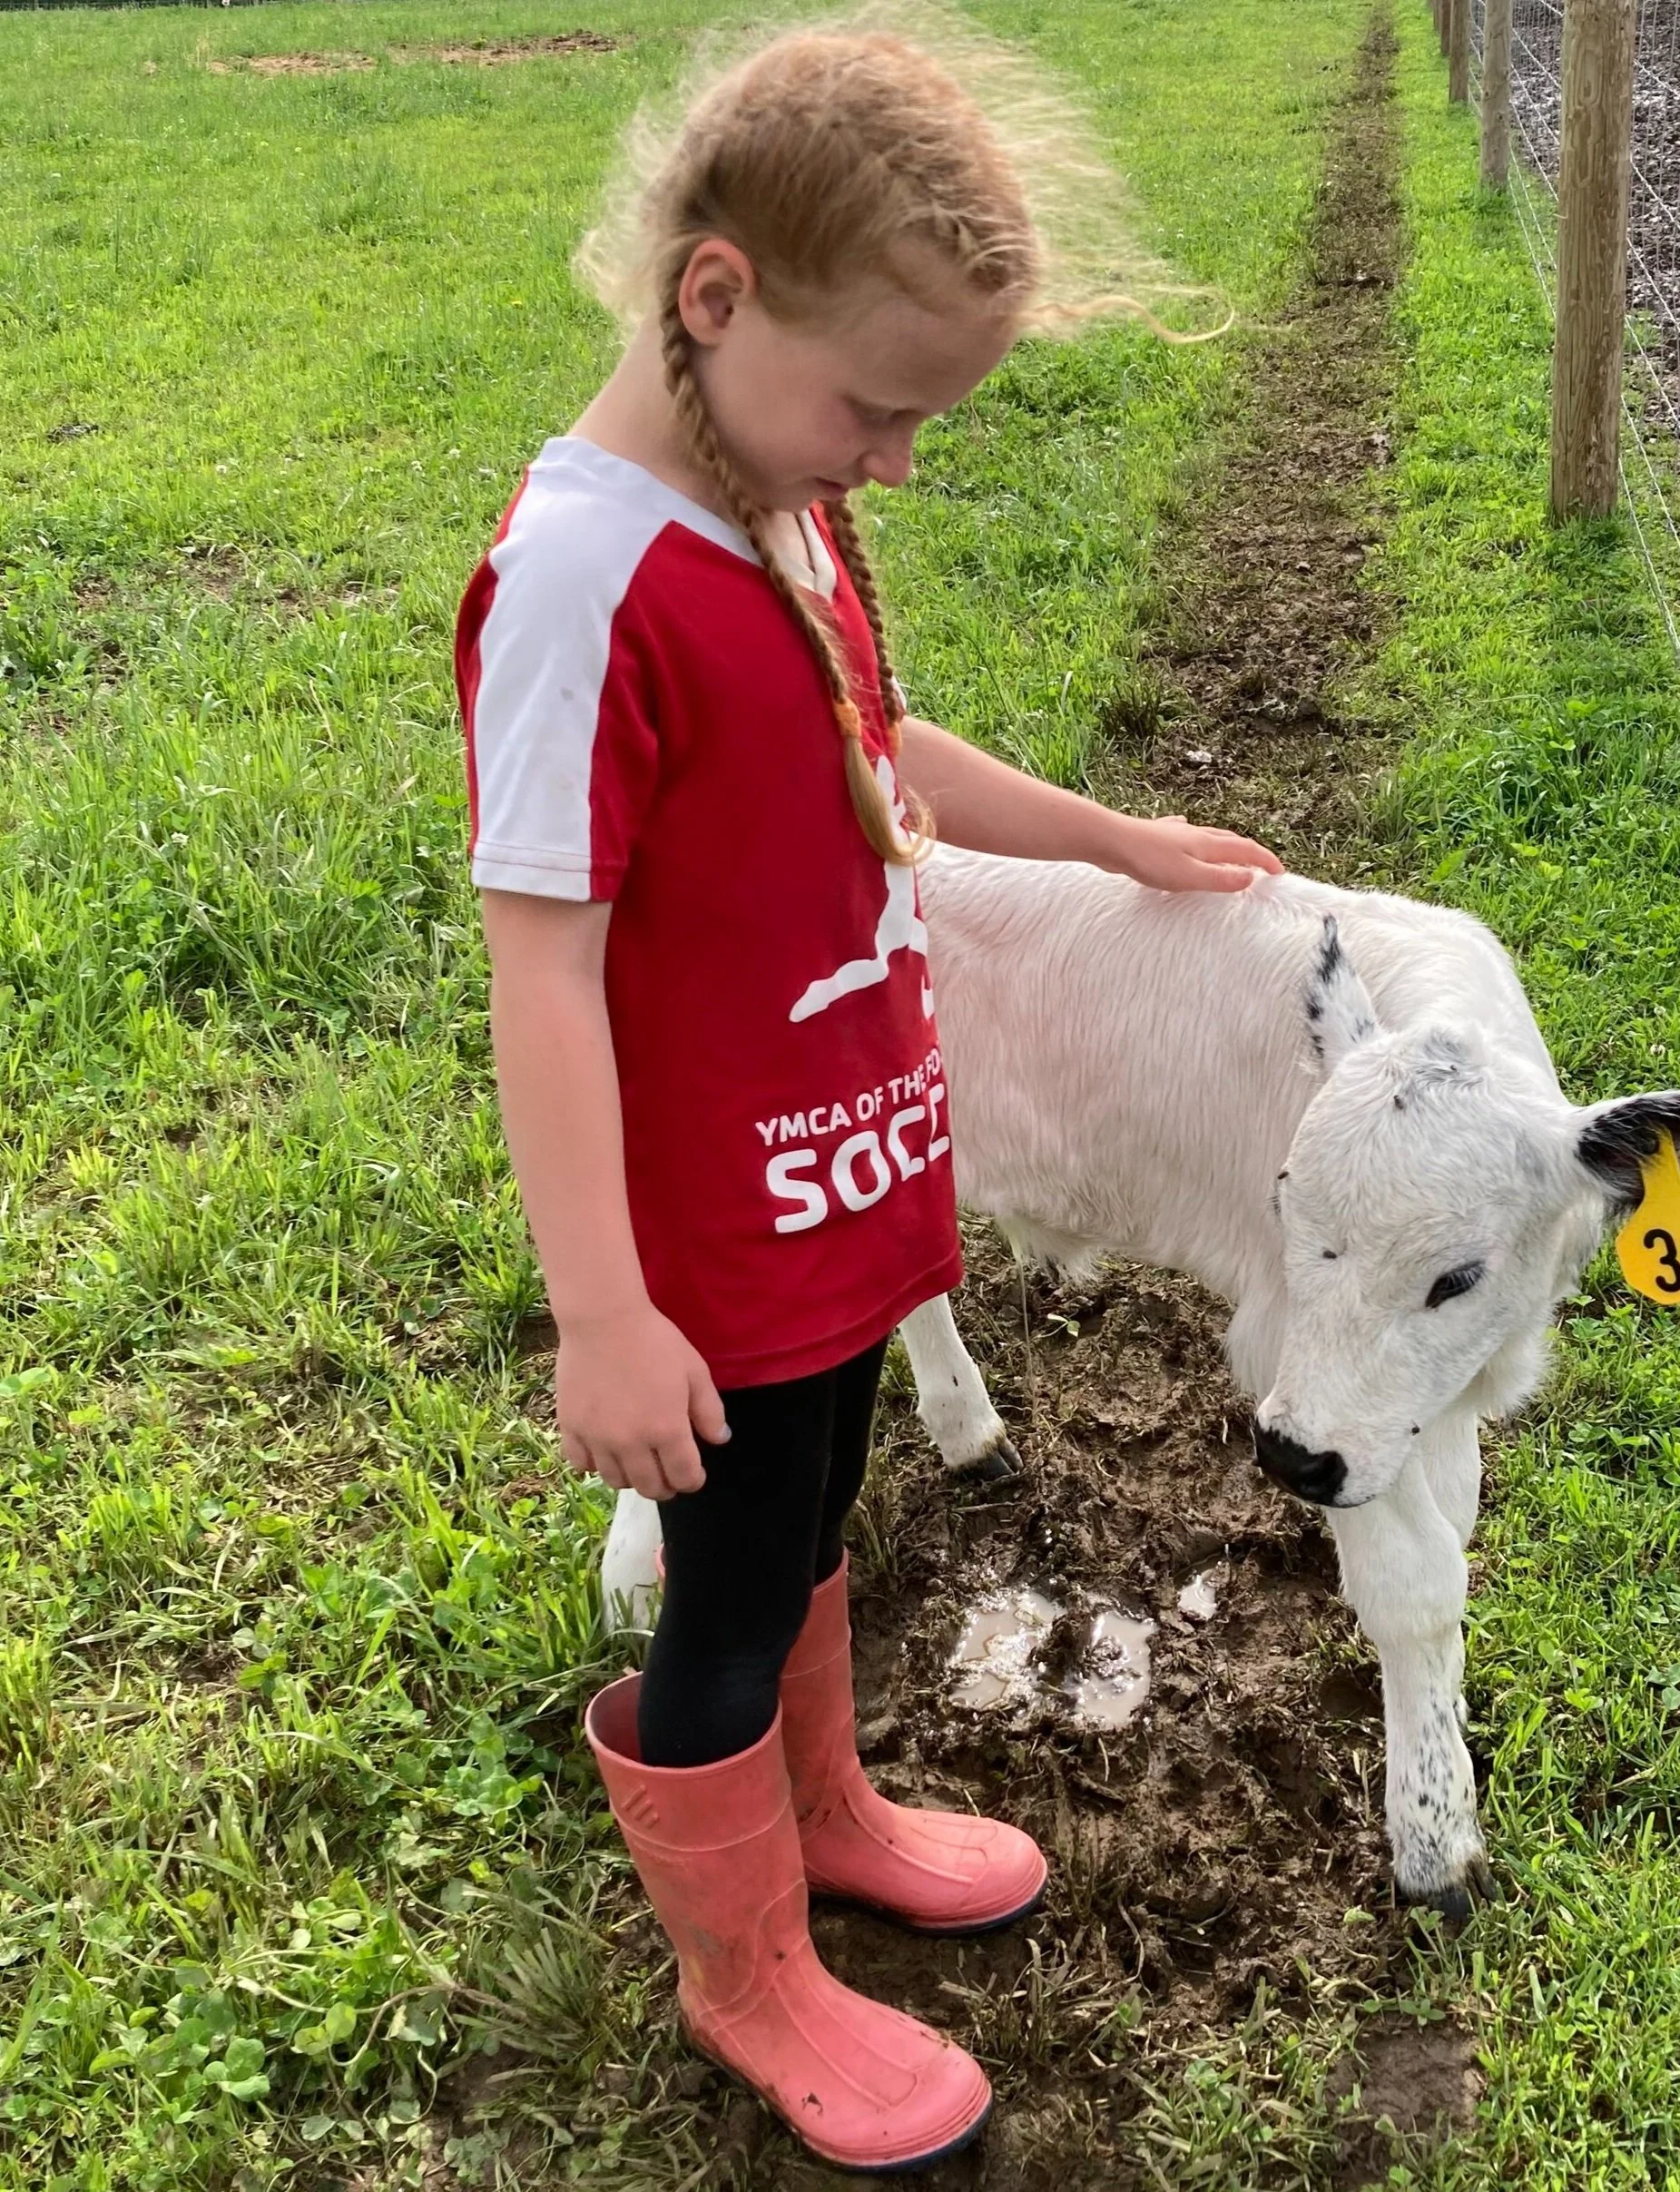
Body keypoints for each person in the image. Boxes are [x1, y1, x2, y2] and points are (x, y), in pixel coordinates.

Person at [454, 18, 1280, 2171]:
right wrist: (606, 1309)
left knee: (821, 1515)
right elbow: (539, 961)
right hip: (707, 1225)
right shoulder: (580, 578)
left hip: (838, 1161)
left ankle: (820, 1820)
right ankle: (746, 1975)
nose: (894, 459)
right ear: (714, 297)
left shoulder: (775, 497)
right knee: (728, 1584)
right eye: (878, 405)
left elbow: (873, 750)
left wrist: (1109, 839)